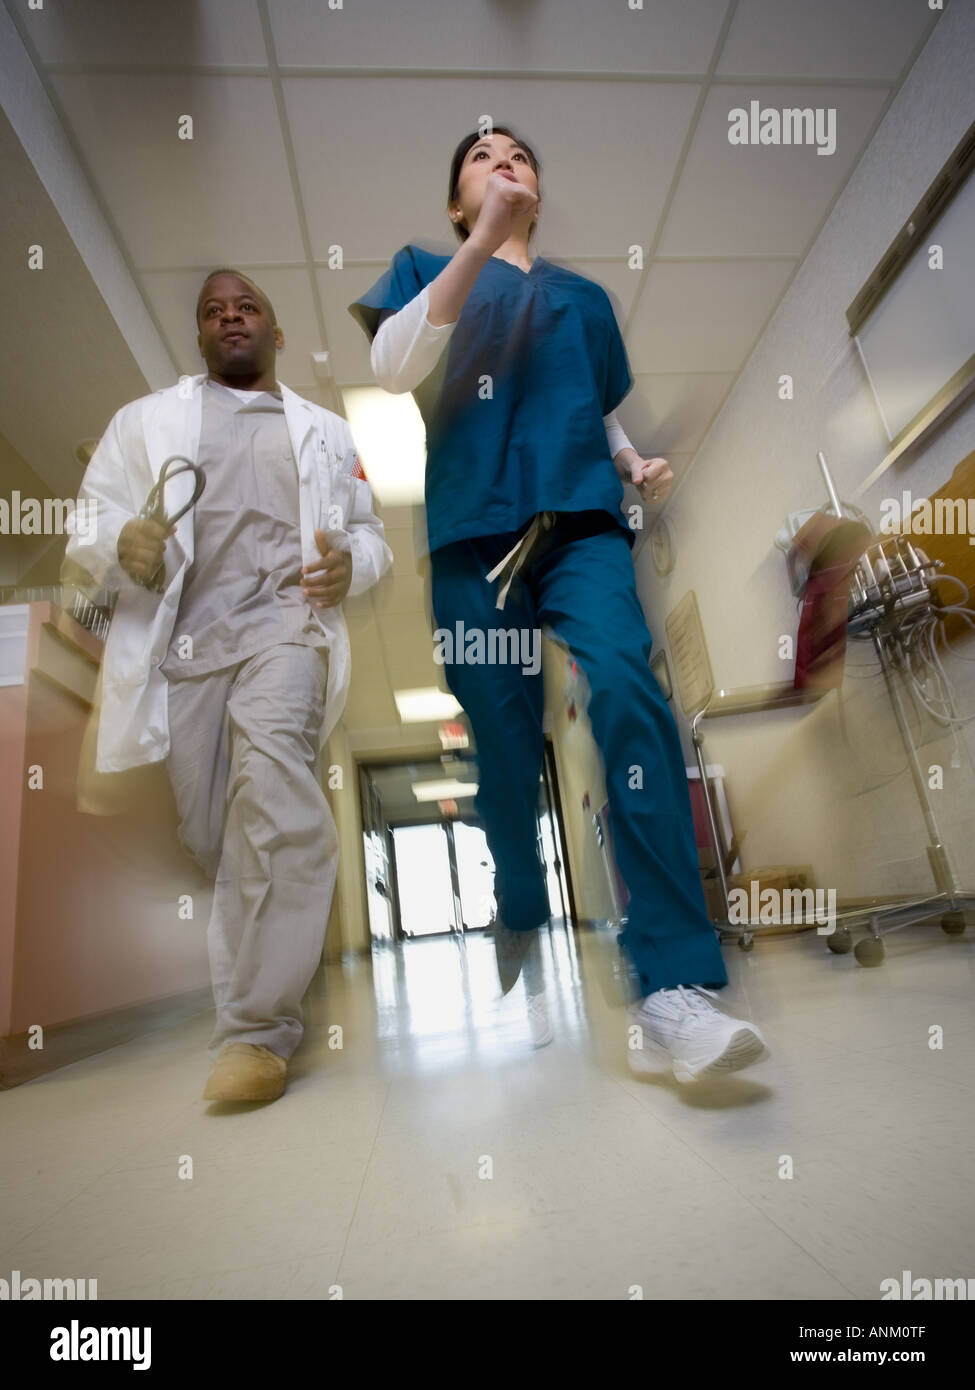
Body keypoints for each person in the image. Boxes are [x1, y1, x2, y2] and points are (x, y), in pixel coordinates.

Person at [348, 126, 768, 1081]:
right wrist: (477, 244)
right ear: (457, 201)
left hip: (579, 523)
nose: (506, 161)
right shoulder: (427, 266)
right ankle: (520, 892)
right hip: (472, 531)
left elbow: (594, 403)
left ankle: (670, 985)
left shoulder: (585, 297)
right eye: (481, 157)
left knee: (626, 684)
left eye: (520, 154)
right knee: (503, 743)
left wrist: (630, 462)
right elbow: (390, 367)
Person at [64, 270, 392, 1102]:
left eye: (246, 306)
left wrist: (353, 563)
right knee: (212, 834)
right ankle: (274, 968)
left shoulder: (323, 430)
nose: (229, 316)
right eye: (213, 311)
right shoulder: (145, 423)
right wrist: (121, 547)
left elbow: (369, 532)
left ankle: (255, 1032)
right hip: (185, 654)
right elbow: (92, 522)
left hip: (287, 632)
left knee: (275, 785)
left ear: (276, 334)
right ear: (201, 337)